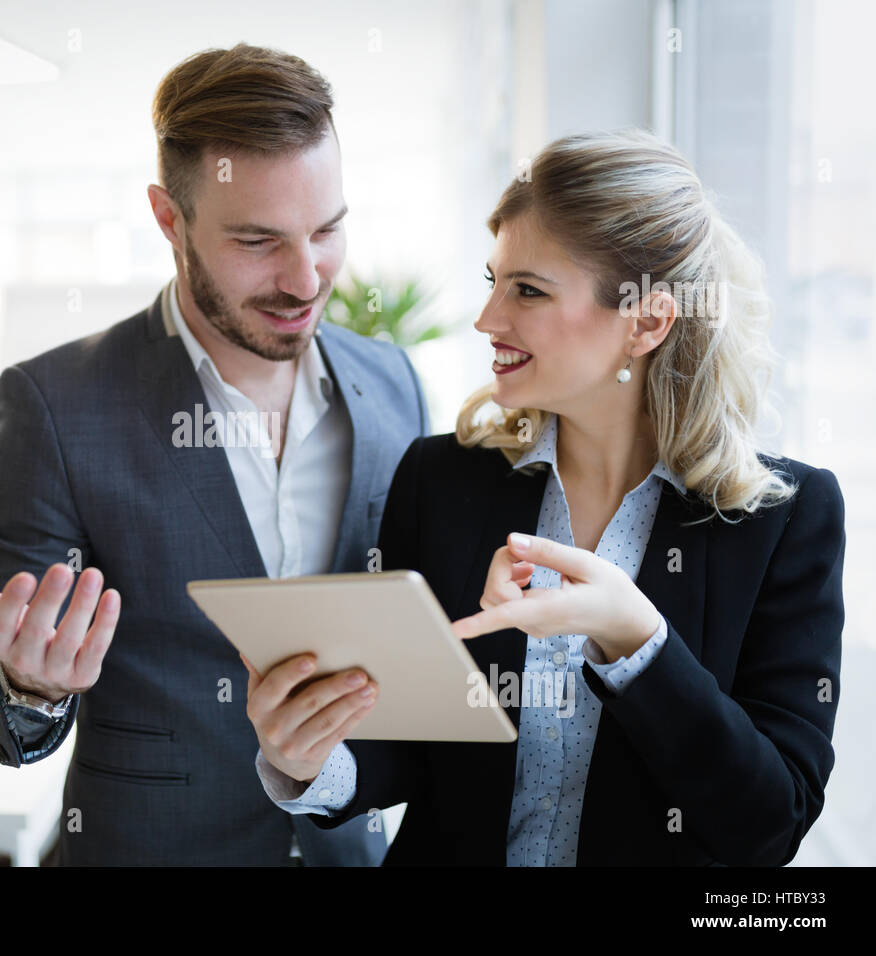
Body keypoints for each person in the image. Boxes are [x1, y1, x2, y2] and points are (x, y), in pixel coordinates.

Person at [246, 129, 845, 866]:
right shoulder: (442, 479)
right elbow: (403, 743)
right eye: (493, 280)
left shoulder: (785, 519)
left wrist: (638, 644)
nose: (487, 319)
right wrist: (306, 758)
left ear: (648, 321)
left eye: (527, 290)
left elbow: (768, 824)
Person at [0, 43, 430, 866]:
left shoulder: (393, 383)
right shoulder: (58, 406)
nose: (307, 280)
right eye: (259, 241)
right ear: (170, 220)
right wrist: (28, 687)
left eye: (328, 230)